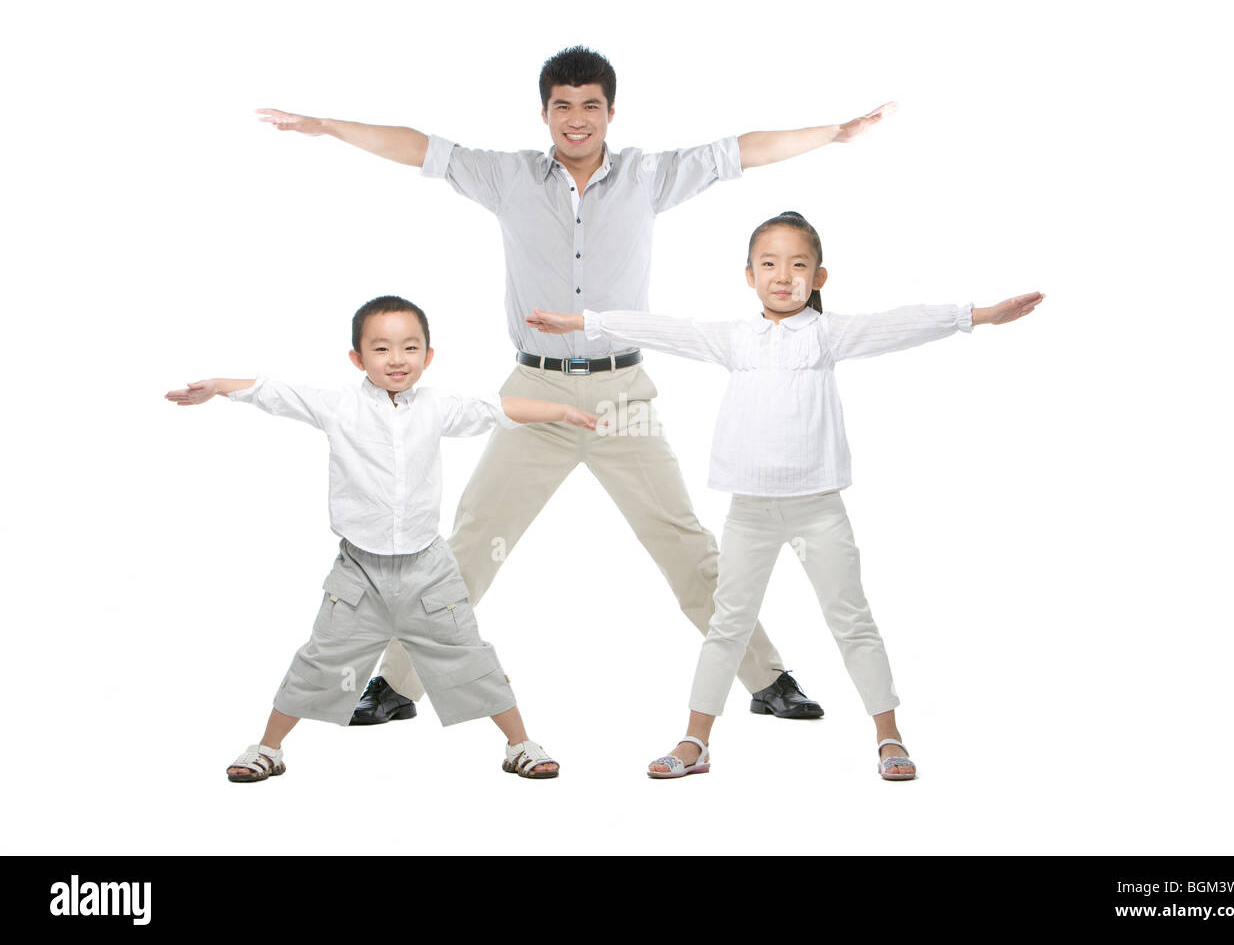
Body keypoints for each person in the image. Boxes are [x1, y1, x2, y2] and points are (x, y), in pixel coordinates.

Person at [256, 45, 898, 726]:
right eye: (563, 105)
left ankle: (768, 679)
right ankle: (397, 685)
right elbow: (421, 147)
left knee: (683, 542)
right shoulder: (507, 179)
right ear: (545, 113)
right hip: (537, 393)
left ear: (610, 111)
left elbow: (740, 150)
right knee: (475, 539)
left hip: (624, 395)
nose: (577, 119)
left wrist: (832, 133)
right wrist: (327, 126)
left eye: (590, 104)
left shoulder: (649, 177)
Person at [527, 211, 1043, 780]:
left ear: (818, 278)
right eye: (769, 264)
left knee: (850, 619)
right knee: (729, 624)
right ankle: (695, 742)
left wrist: (976, 316)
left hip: (818, 509)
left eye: (798, 265)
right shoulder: (733, 339)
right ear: (748, 275)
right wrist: (583, 321)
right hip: (749, 512)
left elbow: (901, 323)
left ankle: (889, 737)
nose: (783, 275)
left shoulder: (827, 335)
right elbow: (661, 328)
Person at [166, 295, 599, 781]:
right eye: (382, 349)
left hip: (429, 572)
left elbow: (499, 408)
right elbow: (274, 392)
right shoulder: (338, 405)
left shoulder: (438, 407)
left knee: (470, 658)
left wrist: (562, 411)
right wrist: (220, 386)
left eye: (410, 347)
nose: (397, 359)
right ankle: (267, 748)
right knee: (320, 661)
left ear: (427, 355)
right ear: (358, 358)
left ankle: (520, 744)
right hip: (359, 574)